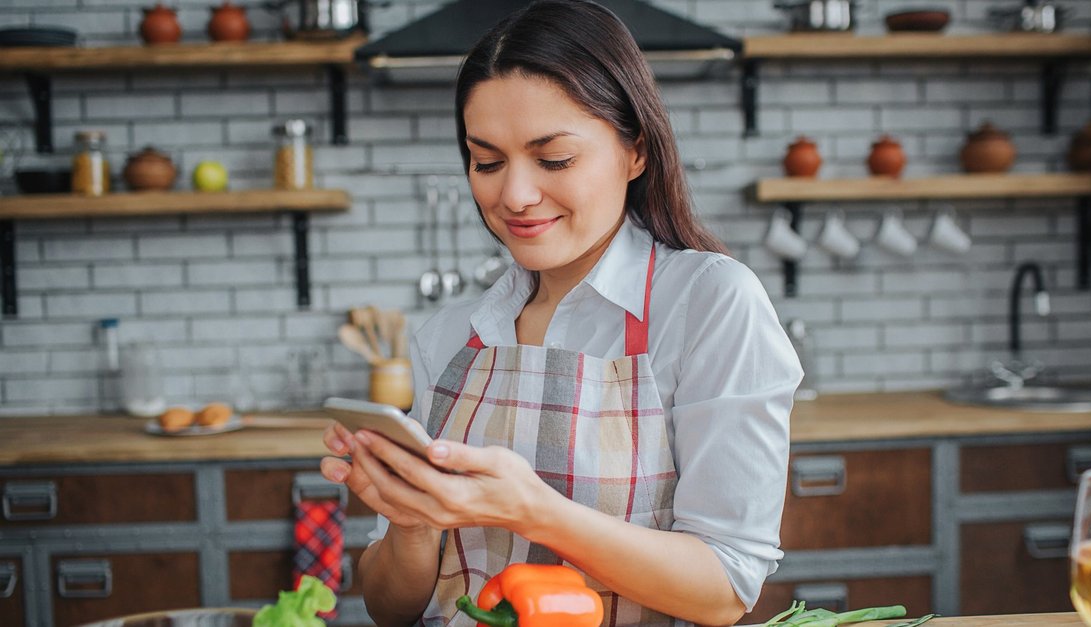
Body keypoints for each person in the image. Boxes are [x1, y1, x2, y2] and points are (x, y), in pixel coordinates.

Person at [320, 1, 802, 625]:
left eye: (554, 160)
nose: (514, 196)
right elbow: (390, 609)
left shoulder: (708, 302)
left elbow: (725, 589)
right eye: (486, 161)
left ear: (636, 152)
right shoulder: (450, 337)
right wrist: (413, 523)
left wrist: (533, 509)